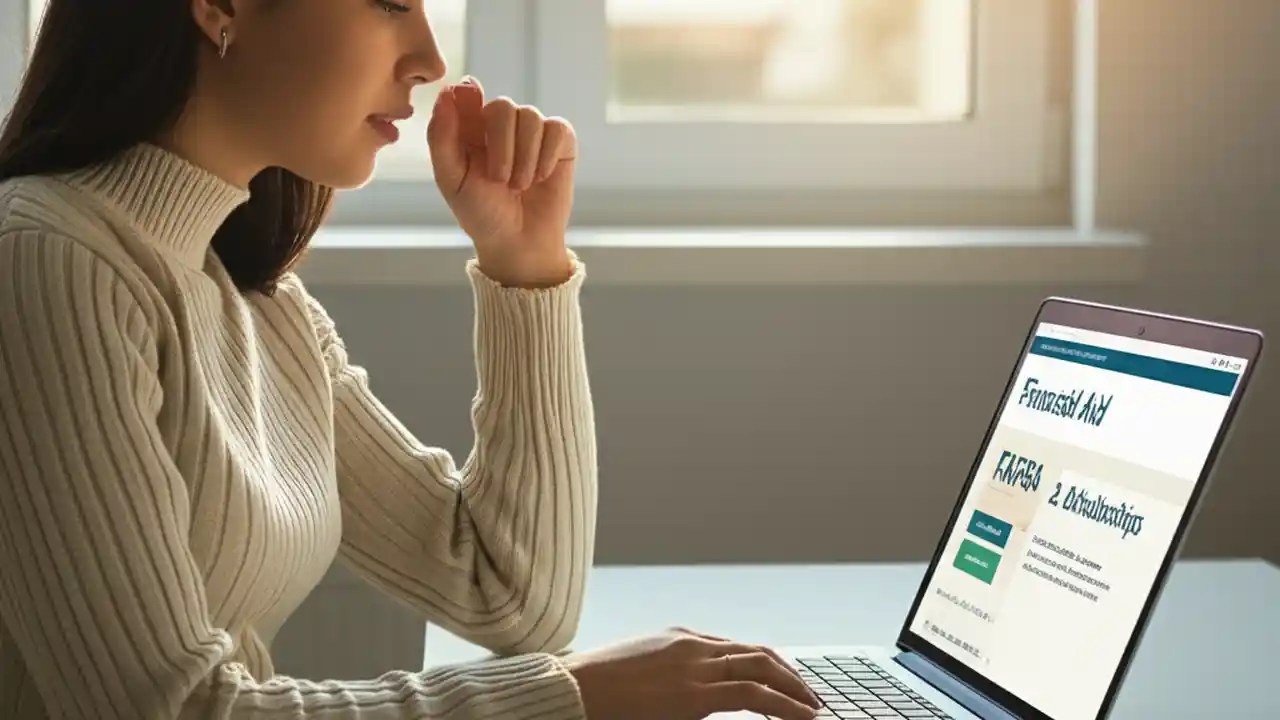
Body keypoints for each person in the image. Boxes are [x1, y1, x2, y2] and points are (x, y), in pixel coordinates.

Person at [0, 1, 823, 718]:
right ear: (222, 5)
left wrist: (523, 264)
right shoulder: (46, 260)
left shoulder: (262, 303)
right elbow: (168, 711)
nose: (431, 61)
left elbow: (511, 595)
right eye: (391, 1)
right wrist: (573, 698)